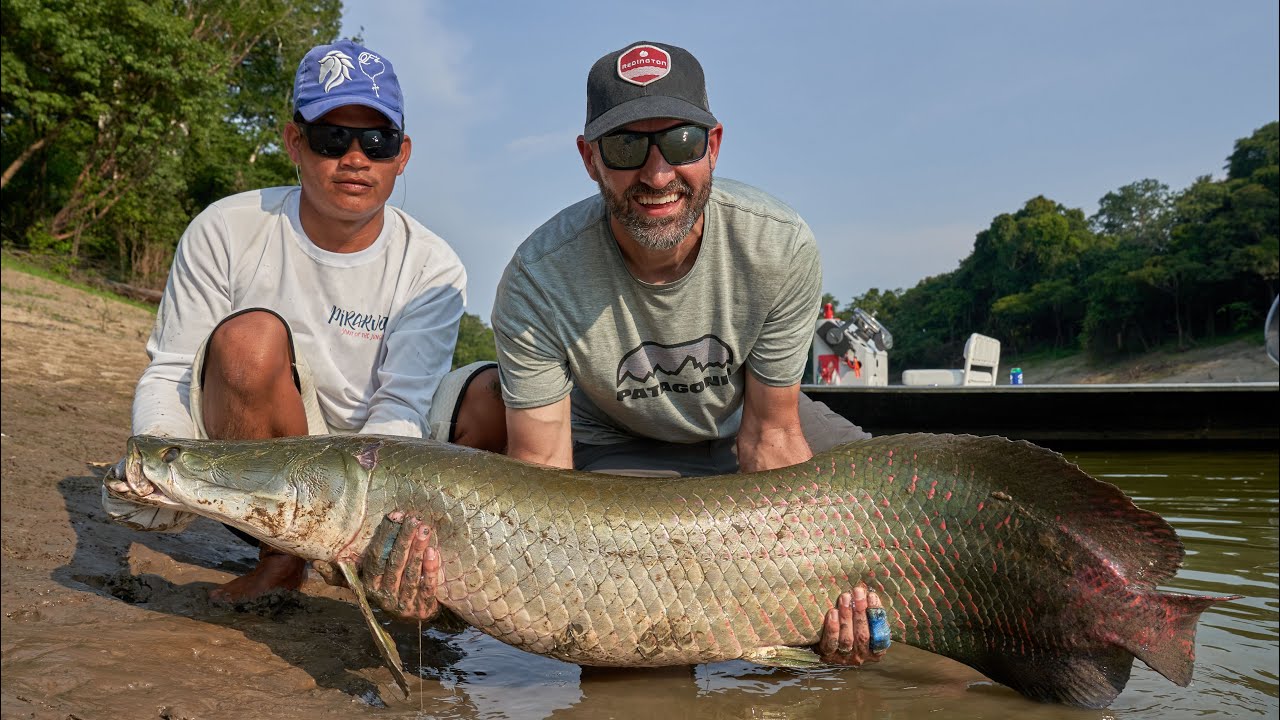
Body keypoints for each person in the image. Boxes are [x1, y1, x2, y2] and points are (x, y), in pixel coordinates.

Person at [376, 40, 889, 666]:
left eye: (679, 143)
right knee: (630, 657)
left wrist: (799, 584)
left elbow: (773, 436)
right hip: (617, 436)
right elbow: (542, 479)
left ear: (714, 146)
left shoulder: (780, 246)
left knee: (889, 526)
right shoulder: (538, 278)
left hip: (745, 419)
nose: (656, 174)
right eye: (625, 148)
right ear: (590, 160)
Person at [102, 39, 483, 603]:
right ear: (294, 144)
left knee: (493, 396)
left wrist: (365, 523)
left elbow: (402, 409)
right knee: (249, 341)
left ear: (402, 156)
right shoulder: (224, 229)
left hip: (377, 463)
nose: (355, 158)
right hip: (267, 466)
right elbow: (171, 371)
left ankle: (434, 581)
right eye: (333, 138)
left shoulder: (433, 265)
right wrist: (161, 468)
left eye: (377, 141)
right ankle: (280, 561)